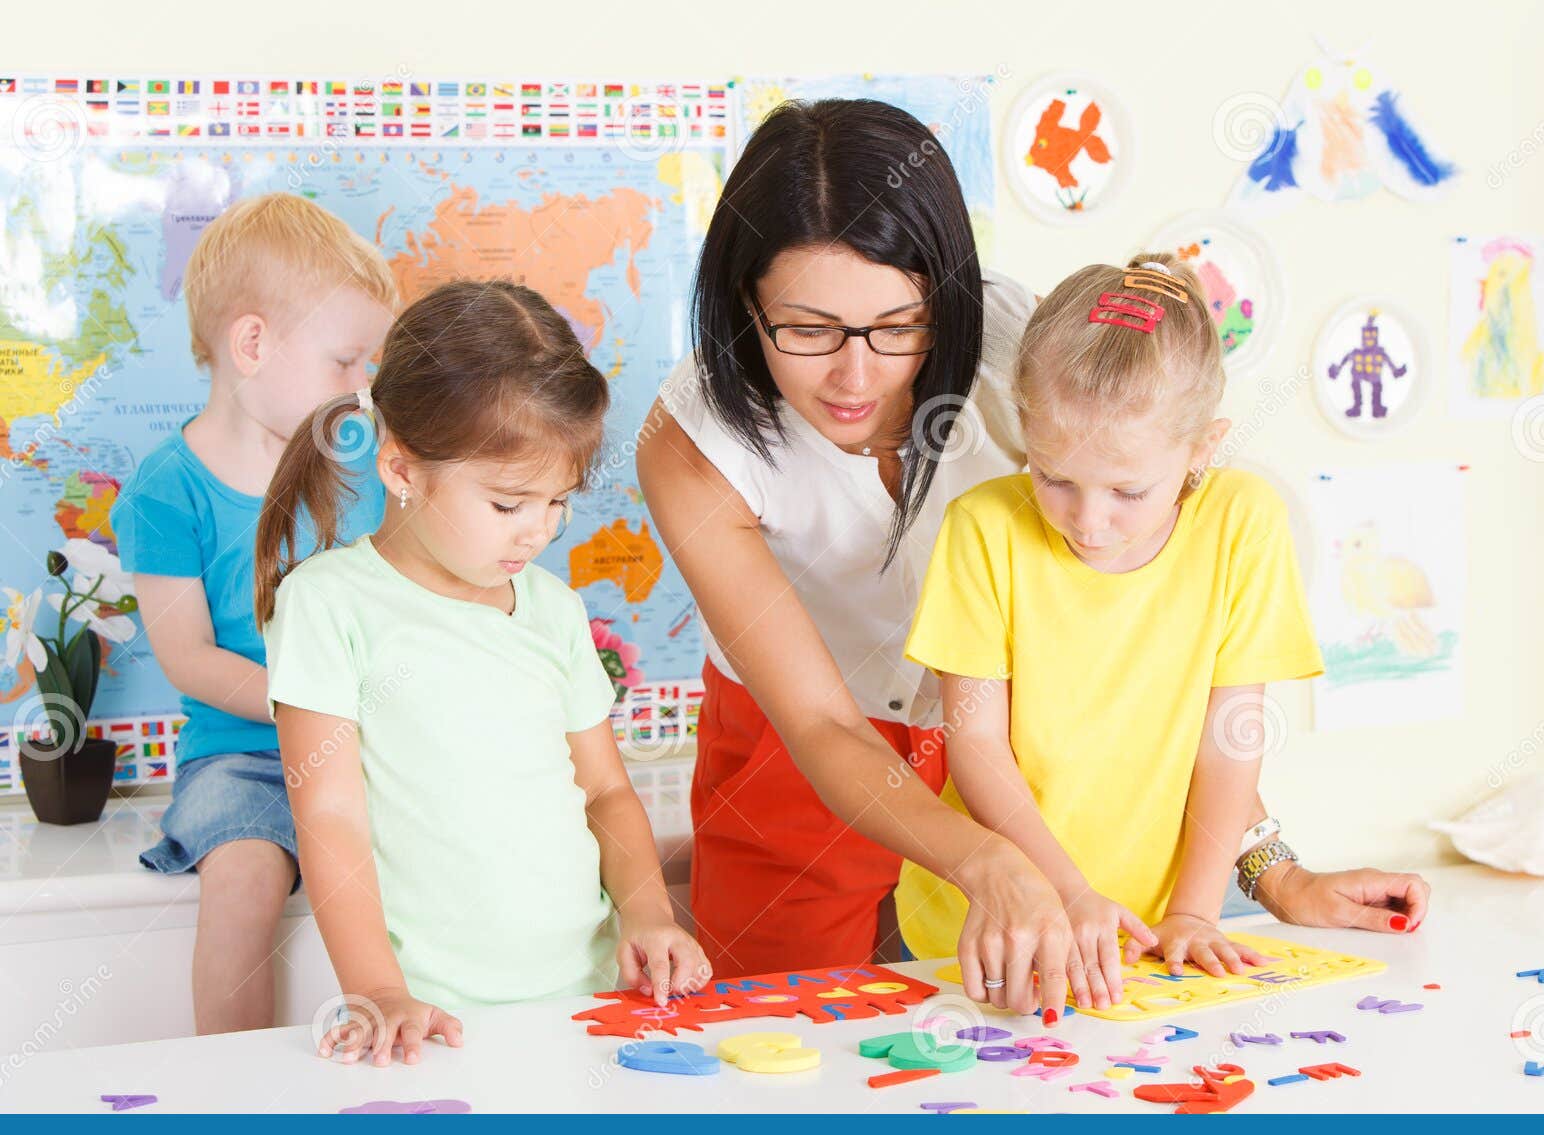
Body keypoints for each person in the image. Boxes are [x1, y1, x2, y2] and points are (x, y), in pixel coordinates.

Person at [637, 100, 1429, 1016]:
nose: (857, 377)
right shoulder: (695, 439)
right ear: (745, 303)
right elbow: (824, 731)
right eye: (808, 330)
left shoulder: (1018, 346)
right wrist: (988, 859)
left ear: (947, 293)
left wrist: (1271, 870)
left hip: (1016, 750)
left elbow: (1161, 655)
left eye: (899, 325)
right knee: (781, 1040)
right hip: (799, 757)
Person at [259, 280, 709, 1065]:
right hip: (430, 1022)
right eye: (509, 504)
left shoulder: (553, 611)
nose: (538, 531)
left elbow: (605, 791)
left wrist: (646, 915)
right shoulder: (329, 605)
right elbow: (330, 818)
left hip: (593, 1002)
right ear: (402, 469)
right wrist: (378, 988)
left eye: (557, 503)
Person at [899, 254, 1319, 1011]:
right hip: (982, 929)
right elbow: (979, 746)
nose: (1088, 523)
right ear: (1024, 429)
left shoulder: (1243, 522)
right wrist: (1066, 893)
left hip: (1156, 932)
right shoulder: (982, 530)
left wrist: (1195, 910)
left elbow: (1229, 739)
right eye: (1054, 476)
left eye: (1128, 490)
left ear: (1202, 449)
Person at [108, 193, 397, 1033]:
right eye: (345, 361)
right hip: (244, 759)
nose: (362, 385)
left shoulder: (364, 466)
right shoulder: (167, 489)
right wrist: (313, 704)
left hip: (371, 742)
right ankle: (231, 1093)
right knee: (242, 877)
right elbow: (191, 658)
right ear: (253, 344)